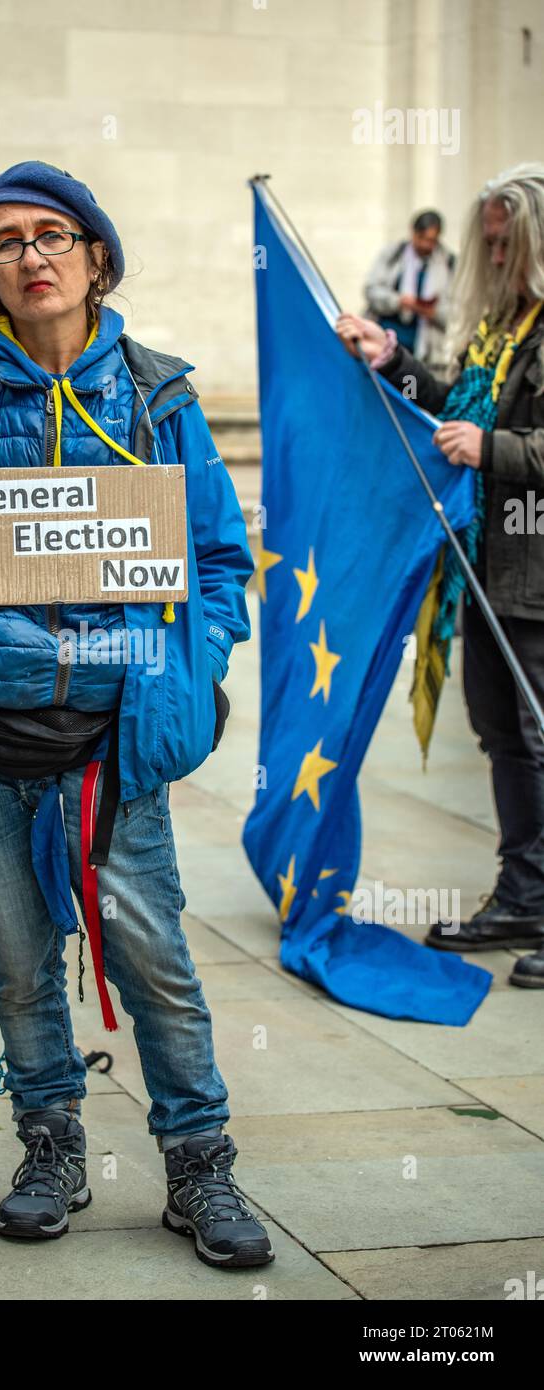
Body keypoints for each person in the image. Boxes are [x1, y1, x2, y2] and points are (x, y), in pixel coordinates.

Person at [0, 161, 275, 1267]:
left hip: (115, 756)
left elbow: (221, 563)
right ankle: (50, 1146)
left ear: (96, 257)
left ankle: (200, 1168)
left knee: (155, 966)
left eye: (52, 236)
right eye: (6, 242)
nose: (31, 256)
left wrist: (192, 663)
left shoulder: (161, 398)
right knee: (19, 970)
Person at [336, 163, 544, 988]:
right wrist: (391, 358)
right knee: (504, 738)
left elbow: (483, 438)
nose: (490, 255)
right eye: (484, 241)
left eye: (504, 241)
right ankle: (525, 894)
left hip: (533, 568)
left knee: (531, 736)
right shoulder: (503, 327)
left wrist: (488, 450)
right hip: (487, 568)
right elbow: (455, 406)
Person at [363, 209, 455, 375]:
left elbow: (456, 314)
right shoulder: (393, 256)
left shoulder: (448, 264)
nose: (426, 245)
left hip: (420, 353)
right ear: (413, 233)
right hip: (383, 345)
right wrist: (398, 301)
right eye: (423, 239)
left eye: (432, 240)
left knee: (409, 392)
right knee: (378, 390)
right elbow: (371, 290)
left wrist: (432, 312)